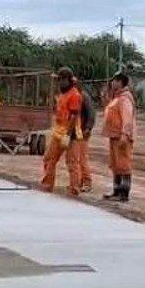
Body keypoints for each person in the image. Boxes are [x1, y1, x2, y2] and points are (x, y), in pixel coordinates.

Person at [41, 67, 83, 196]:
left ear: (68, 80)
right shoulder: (62, 93)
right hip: (59, 130)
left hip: (71, 132)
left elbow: (73, 116)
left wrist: (68, 135)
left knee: (72, 162)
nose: (60, 82)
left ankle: (74, 188)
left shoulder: (74, 95)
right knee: (49, 158)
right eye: (59, 80)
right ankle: (47, 184)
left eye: (62, 80)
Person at [101, 71, 137, 202]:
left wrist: (124, 134)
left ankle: (124, 194)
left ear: (120, 82)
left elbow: (127, 118)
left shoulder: (125, 98)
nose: (111, 83)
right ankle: (116, 191)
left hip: (122, 136)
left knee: (124, 165)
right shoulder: (117, 97)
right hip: (114, 135)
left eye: (114, 81)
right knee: (116, 165)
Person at [77, 81, 96, 192]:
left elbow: (91, 113)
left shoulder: (83, 97)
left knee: (82, 158)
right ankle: (79, 182)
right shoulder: (74, 95)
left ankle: (87, 182)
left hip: (83, 131)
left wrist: (88, 128)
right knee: (77, 159)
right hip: (76, 132)